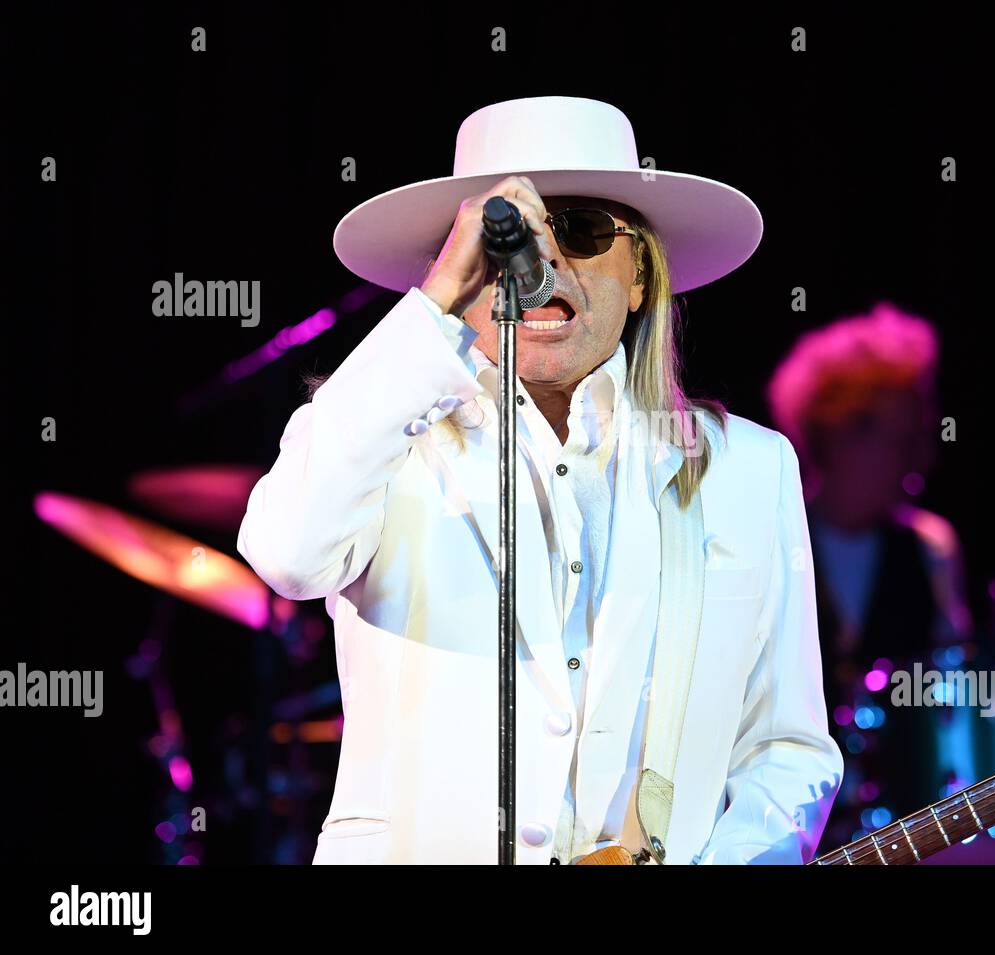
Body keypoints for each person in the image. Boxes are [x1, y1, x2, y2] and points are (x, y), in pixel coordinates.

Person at [238, 96, 842, 864]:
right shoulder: (384, 437)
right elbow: (287, 552)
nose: (544, 263)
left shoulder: (749, 469)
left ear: (641, 276)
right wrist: (431, 314)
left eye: (584, 231)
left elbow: (787, 748)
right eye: (508, 235)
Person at [767, 304, 973, 848]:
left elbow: (954, 700)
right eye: (902, 439)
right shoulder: (768, 537)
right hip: (791, 824)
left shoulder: (931, 548)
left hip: (907, 827)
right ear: (837, 435)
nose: (919, 459)